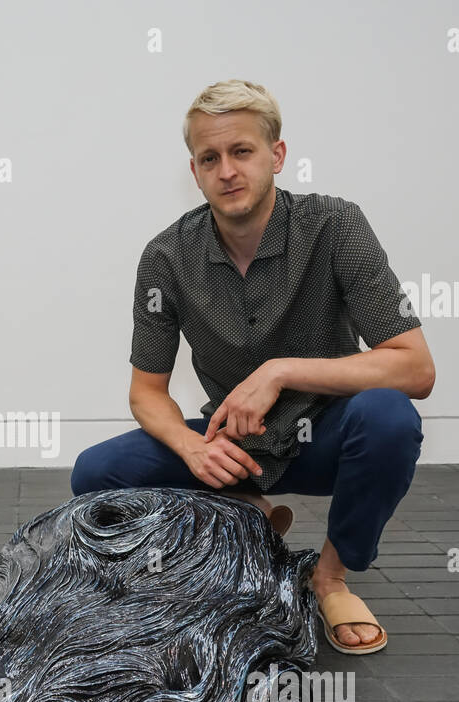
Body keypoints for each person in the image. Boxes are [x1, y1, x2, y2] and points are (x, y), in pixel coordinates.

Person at [70, 79, 436, 656]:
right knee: (96, 475)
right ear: (194, 171)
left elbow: (415, 368)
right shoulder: (166, 256)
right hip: (233, 446)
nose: (227, 170)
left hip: (327, 439)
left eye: (242, 152)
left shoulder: (337, 225)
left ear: (277, 155)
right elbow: (146, 393)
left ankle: (330, 578)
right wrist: (193, 451)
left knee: (389, 416)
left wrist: (280, 371)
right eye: (209, 158)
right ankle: (249, 514)